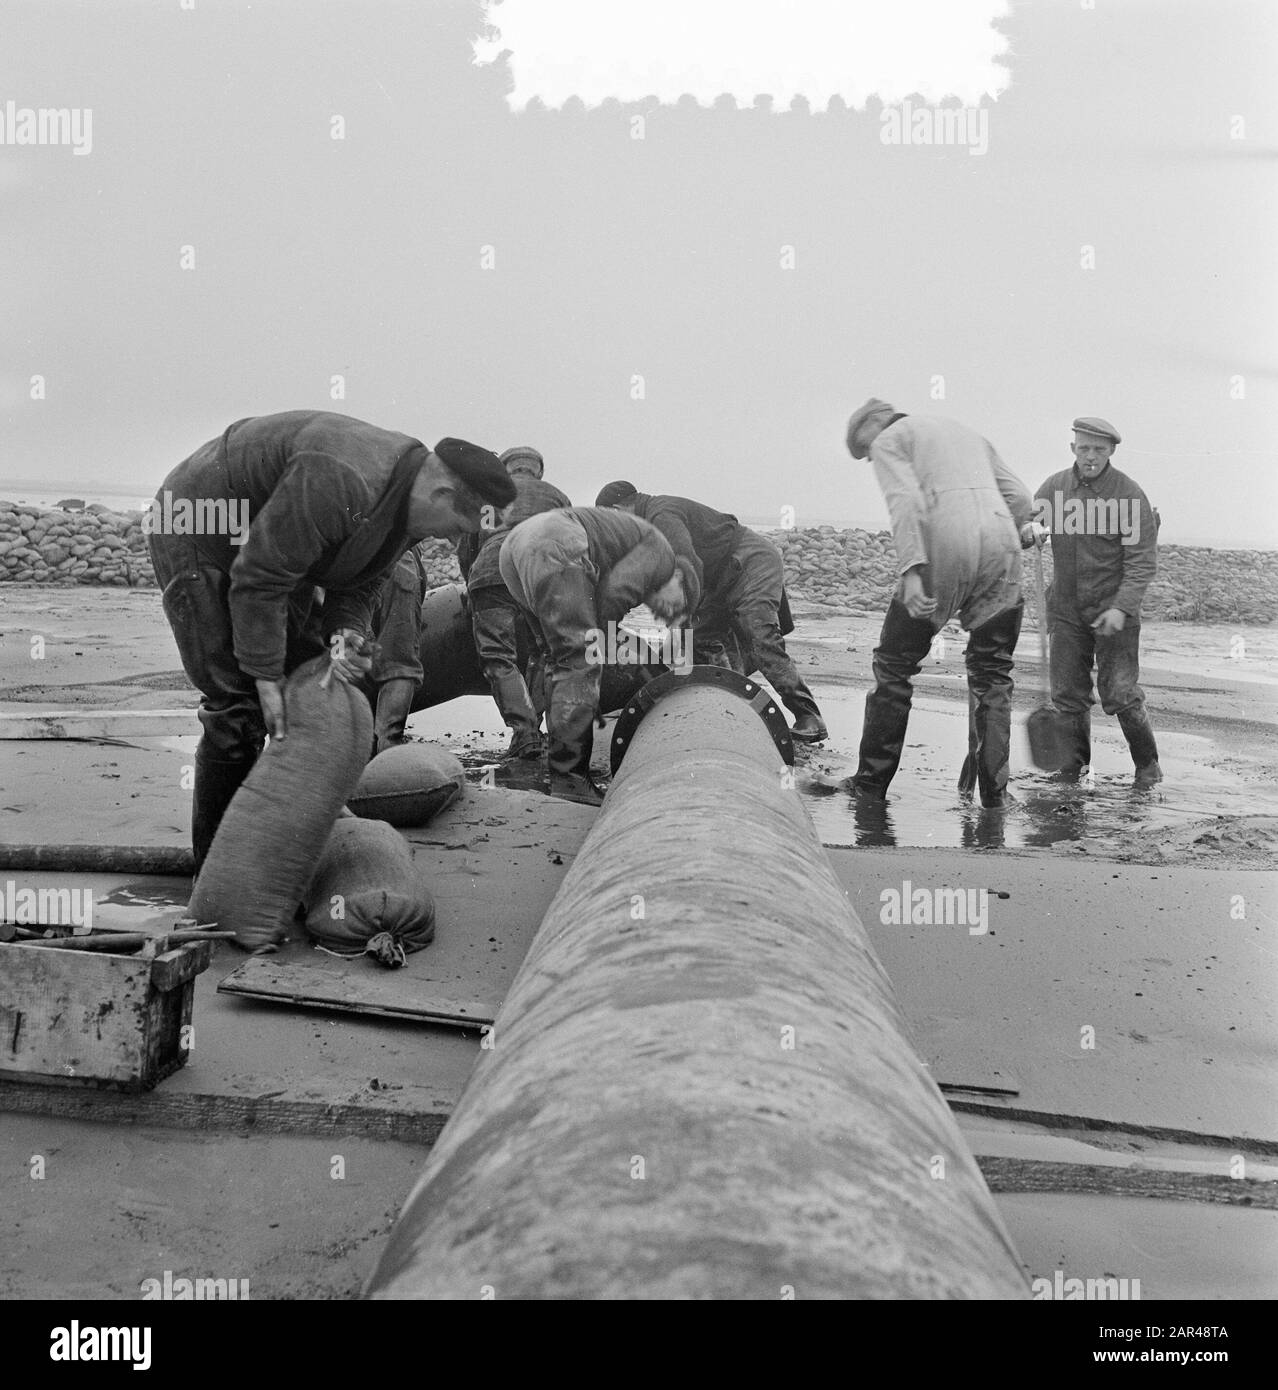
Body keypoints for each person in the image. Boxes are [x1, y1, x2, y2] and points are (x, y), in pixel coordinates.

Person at [147, 409, 515, 874]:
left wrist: (346, 635)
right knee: (237, 705)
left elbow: (360, 583)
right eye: (457, 528)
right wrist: (262, 674)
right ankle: (219, 875)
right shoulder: (343, 478)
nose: (450, 539)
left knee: (309, 687)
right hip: (199, 526)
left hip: (275, 546)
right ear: (441, 493)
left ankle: (279, 841)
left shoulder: (411, 506)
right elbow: (260, 576)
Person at [843, 398, 1035, 808]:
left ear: (877, 420)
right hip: (1002, 544)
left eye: (865, 449)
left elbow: (905, 501)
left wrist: (912, 569)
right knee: (992, 671)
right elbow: (1019, 495)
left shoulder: (890, 438)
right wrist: (1014, 532)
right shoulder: (964, 431)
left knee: (894, 666)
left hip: (944, 542)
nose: (868, 457)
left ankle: (870, 787)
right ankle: (994, 796)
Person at [594, 482, 828, 742]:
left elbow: (687, 565)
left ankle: (808, 716)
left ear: (617, 509)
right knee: (700, 640)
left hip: (750, 560)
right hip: (719, 577)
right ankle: (727, 710)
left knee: (758, 632)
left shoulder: (662, 516)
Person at [498, 506, 691, 804]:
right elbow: (612, 598)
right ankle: (570, 778)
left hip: (515, 549)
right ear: (677, 576)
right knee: (579, 658)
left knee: (554, 657)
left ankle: (557, 758)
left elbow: (603, 606)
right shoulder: (663, 556)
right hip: (556, 543)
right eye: (678, 605)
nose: (668, 613)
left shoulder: (634, 549)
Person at [1029, 416, 1161, 786]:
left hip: (1114, 609)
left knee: (1120, 693)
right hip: (1067, 610)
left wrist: (1121, 607)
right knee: (1068, 696)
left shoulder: (1129, 494)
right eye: (1084, 448)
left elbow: (1141, 560)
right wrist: (1030, 531)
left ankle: (1148, 767)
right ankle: (1074, 770)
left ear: (1111, 451)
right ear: (1073, 448)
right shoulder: (1054, 488)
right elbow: (1027, 527)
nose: (1090, 456)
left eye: (1099, 450)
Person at [467, 475, 573, 761]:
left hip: (491, 574)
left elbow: (469, 542)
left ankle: (524, 733)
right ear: (538, 470)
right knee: (545, 652)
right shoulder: (556, 495)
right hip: (539, 576)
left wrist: (472, 580)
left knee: (498, 655)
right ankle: (546, 733)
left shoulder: (490, 490)